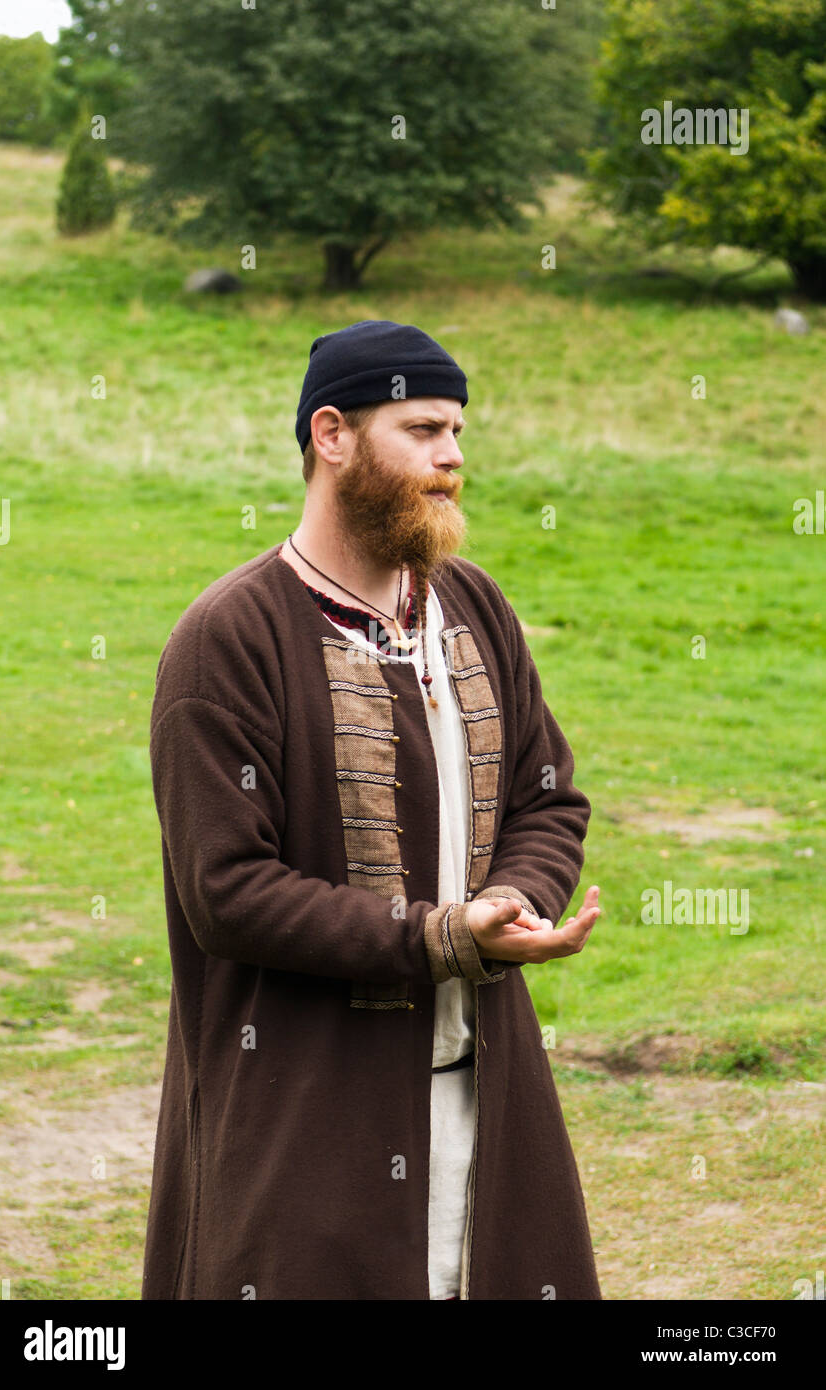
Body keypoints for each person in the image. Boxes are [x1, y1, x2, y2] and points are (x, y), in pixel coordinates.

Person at [142, 319, 602, 1301]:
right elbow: (228, 891)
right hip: (306, 1116)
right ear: (332, 435)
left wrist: (511, 901)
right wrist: (439, 934)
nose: (452, 459)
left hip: (486, 1093)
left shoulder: (471, 608)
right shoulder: (230, 639)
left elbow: (547, 793)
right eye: (424, 429)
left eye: (459, 433)